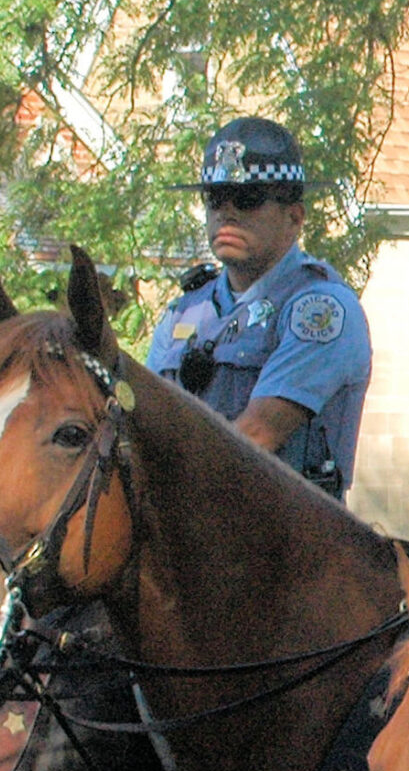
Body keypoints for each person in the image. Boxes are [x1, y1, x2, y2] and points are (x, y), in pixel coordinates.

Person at [146, 116, 371, 497]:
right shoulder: (185, 311)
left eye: (248, 199)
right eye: (215, 199)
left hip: (288, 542)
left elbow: (256, 435)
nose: (227, 213)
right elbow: (144, 425)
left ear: (294, 218)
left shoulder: (321, 310)